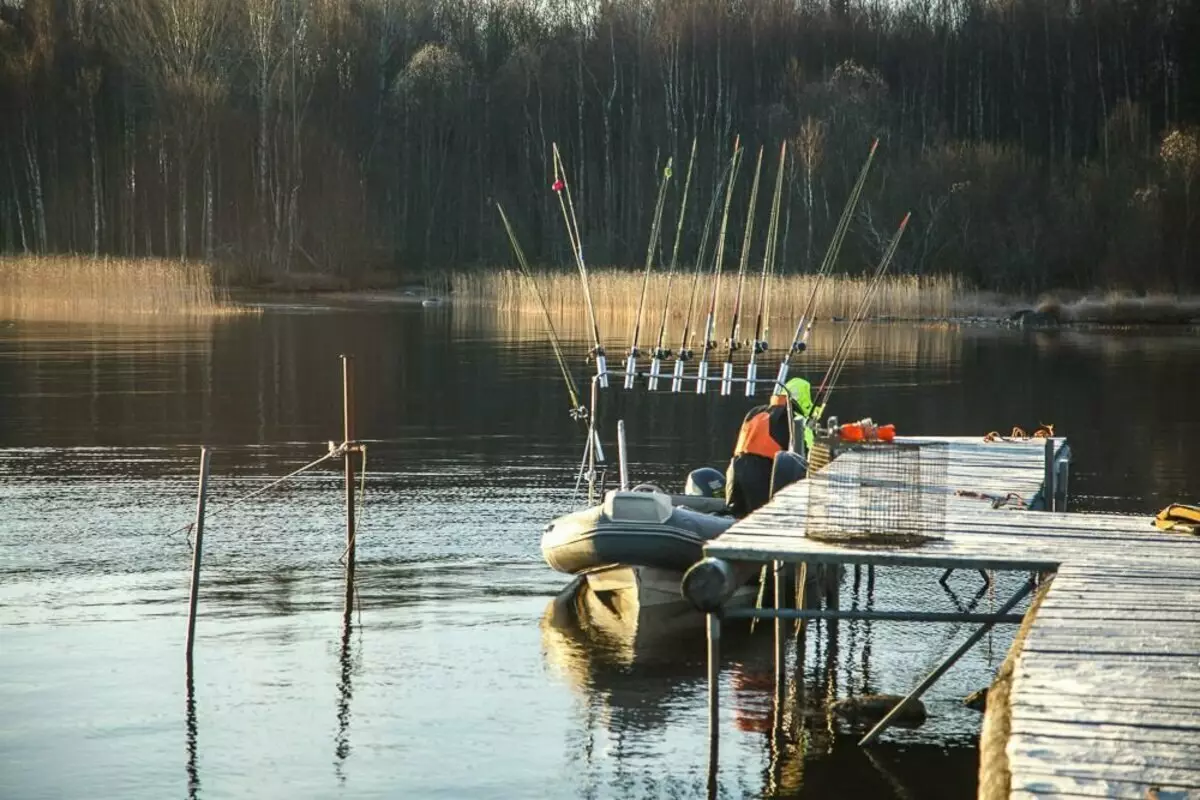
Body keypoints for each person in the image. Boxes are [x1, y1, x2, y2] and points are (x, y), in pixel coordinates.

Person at [724, 377, 819, 517]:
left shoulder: (755, 412)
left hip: (734, 469)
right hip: (761, 473)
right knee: (760, 517)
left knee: (735, 514)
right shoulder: (794, 420)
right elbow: (807, 458)